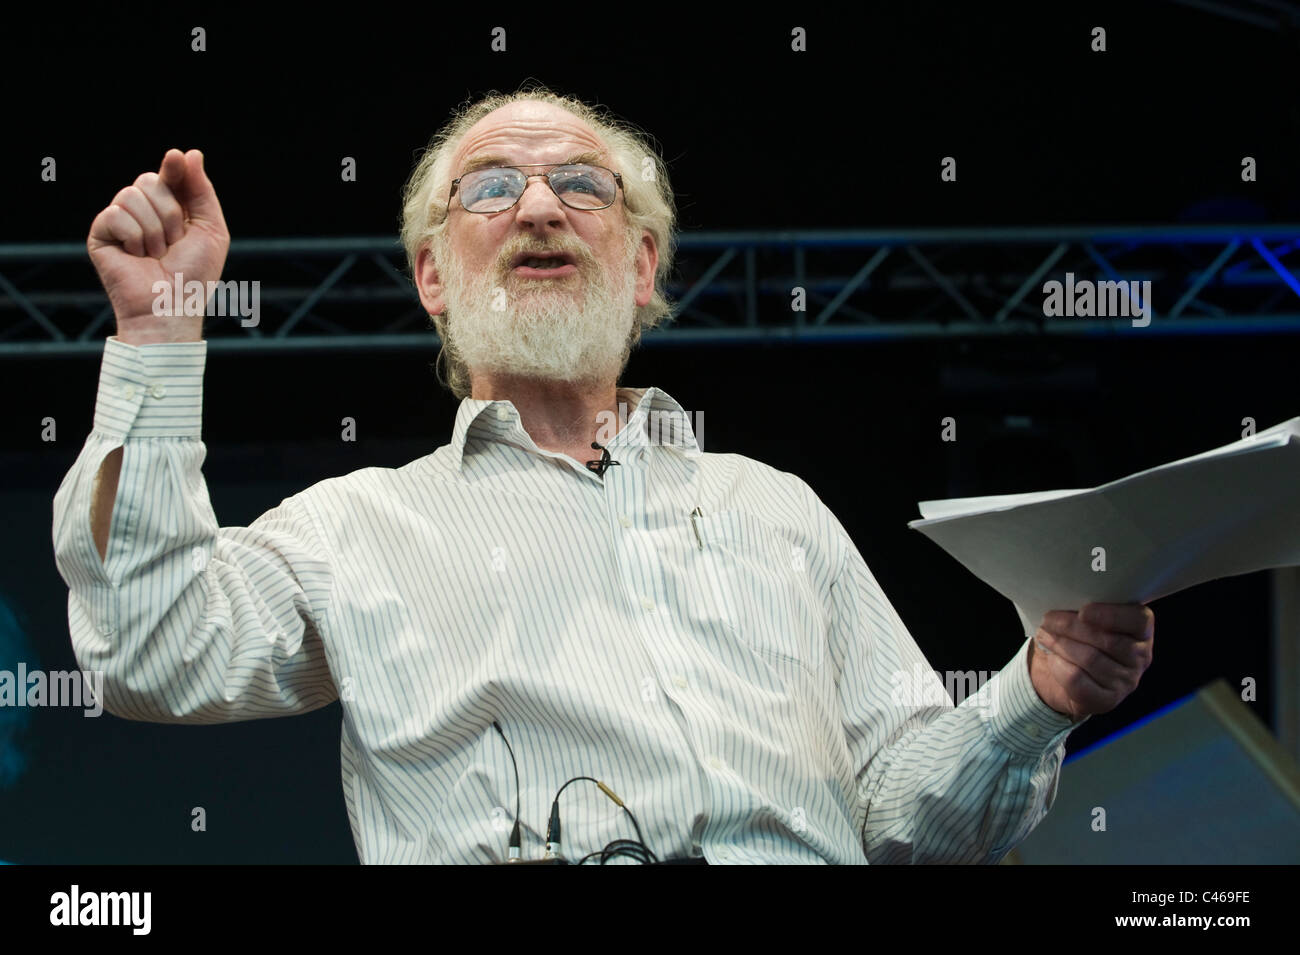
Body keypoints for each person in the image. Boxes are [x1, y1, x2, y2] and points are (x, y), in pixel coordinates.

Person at [52, 86, 1154, 864]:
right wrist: (160, 331)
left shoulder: (772, 509)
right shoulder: (355, 528)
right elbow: (152, 650)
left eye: (582, 185)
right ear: (433, 274)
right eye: (490, 187)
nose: (538, 207)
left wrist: (1031, 699)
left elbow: (910, 821)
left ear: (639, 264)